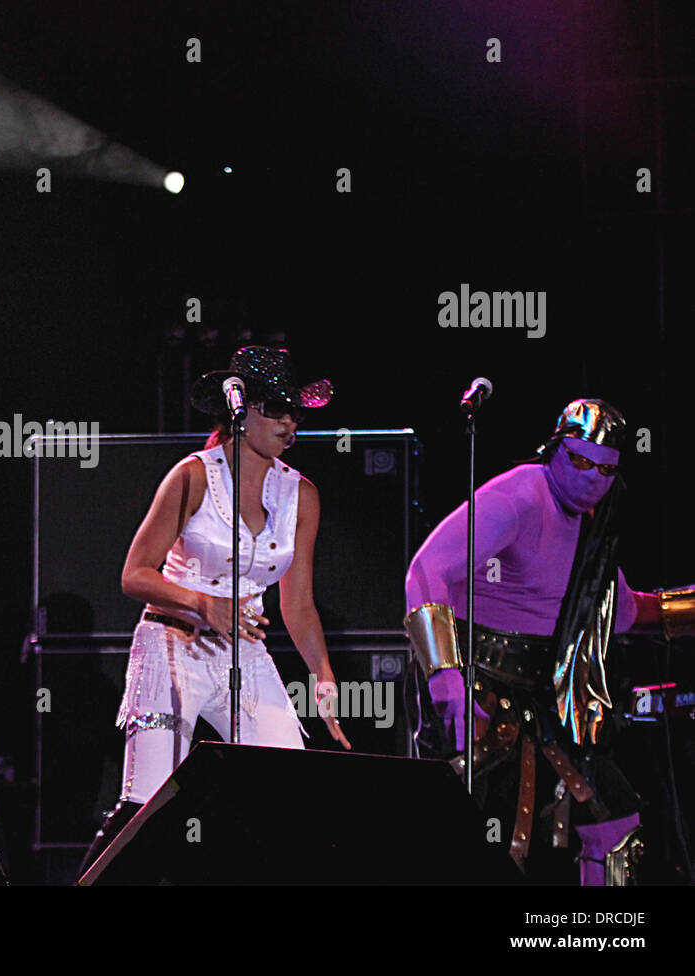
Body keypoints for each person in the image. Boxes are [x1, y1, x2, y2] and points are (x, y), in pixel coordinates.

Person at [81, 346, 351, 874]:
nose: (289, 421)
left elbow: (297, 604)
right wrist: (202, 602)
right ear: (241, 410)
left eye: (294, 409)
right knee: (149, 801)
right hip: (172, 644)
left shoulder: (302, 495)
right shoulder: (194, 476)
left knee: (285, 788)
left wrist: (323, 674)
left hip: (244, 653)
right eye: (275, 408)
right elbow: (135, 574)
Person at [404, 398, 692, 884]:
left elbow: (620, 611)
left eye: (605, 469)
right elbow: (426, 570)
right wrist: (445, 675)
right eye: (581, 461)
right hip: (477, 679)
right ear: (555, 450)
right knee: (471, 835)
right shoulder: (518, 496)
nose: (592, 477)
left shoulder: (594, 522)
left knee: (615, 823)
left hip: (546, 691)